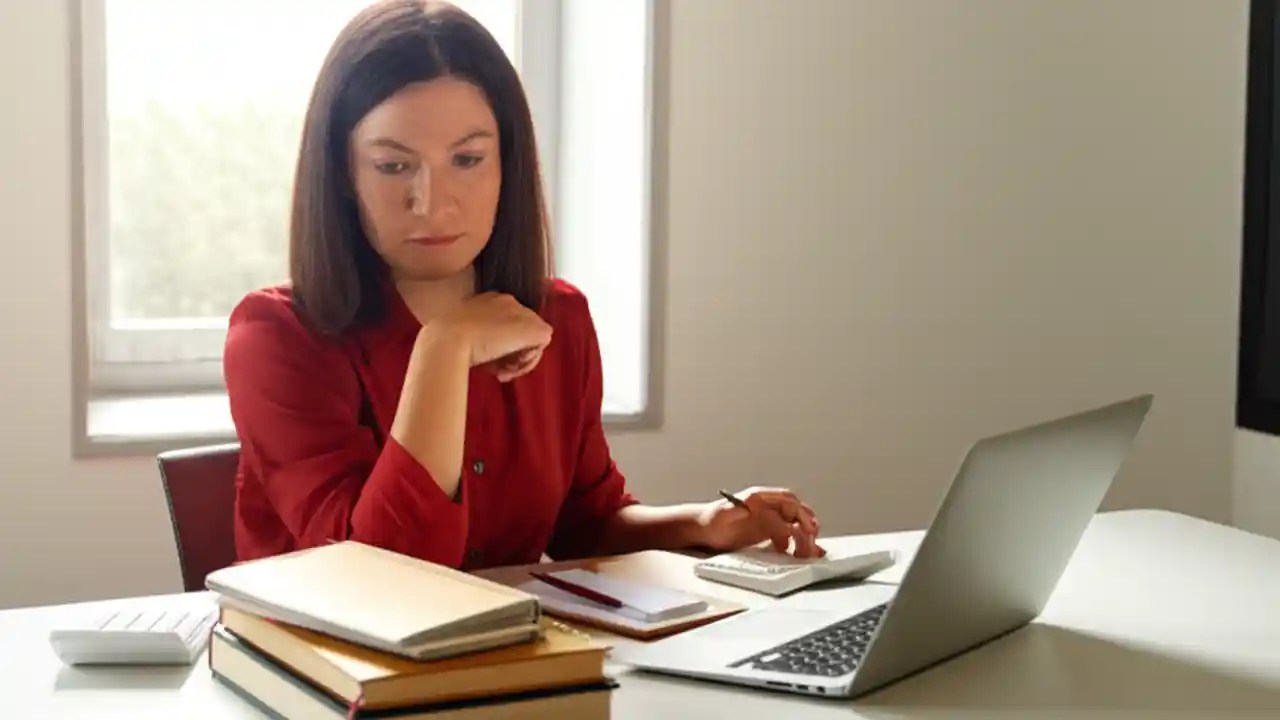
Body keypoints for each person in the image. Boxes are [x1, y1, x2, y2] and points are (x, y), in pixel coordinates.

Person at [223, 0, 824, 570]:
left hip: (510, 642)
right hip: (318, 647)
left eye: (467, 160)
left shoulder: (557, 316)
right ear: (342, 174)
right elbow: (378, 577)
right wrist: (444, 348)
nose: (433, 203)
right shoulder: (275, 336)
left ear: (508, 165)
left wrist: (703, 524)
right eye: (393, 166)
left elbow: (588, 522)